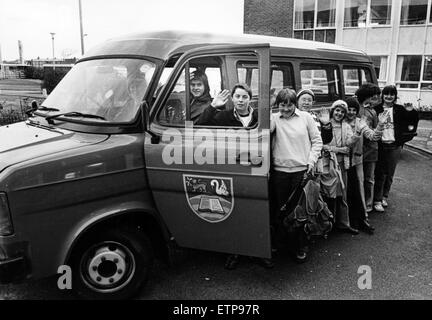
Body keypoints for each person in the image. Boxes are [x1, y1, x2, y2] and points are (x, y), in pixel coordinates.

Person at [199, 83, 272, 270]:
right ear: (232, 98)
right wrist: (213, 106)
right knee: (235, 211)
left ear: (250, 98)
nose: (240, 100)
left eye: (244, 97)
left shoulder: (260, 117)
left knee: (257, 211)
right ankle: (235, 251)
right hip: (234, 168)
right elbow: (199, 127)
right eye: (237, 96)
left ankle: (259, 252)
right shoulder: (223, 116)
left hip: (257, 167)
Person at [270, 88, 323, 262]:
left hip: (301, 172)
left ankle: (299, 246)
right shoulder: (273, 118)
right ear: (277, 104)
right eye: (282, 105)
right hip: (279, 172)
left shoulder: (306, 118)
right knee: (281, 211)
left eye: (289, 105)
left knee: (300, 213)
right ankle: (282, 245)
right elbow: (263, 134)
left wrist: (311, 162)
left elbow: (317, 141)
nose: (285, 109)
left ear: (295, 104)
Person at [345, 97, 389, 234]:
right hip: (343, 160)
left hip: (357, 160)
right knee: (344, 190)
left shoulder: (360, 122)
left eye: (354, 110)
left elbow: (373, 136)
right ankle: (345, 220)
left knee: (360, 189)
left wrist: (380, 125)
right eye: (349, 110)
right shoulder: (341, 120)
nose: (351, 112)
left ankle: (363, 218)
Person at [373, 85, 419, 212]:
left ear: (395, 96)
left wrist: (411, 111)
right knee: (379, 173)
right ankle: (376, 199)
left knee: (390, 174)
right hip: (380, 145)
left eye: (392, 94)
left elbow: (412, 121)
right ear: (382, 95)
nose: (389, 96)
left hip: (394, 146)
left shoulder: (399, 109)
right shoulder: (376, 109)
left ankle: (384, 196)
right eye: (386, 94)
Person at [321, 100, 359, 235]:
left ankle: (343, 223)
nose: (339, 113)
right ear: (333, 110)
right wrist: (338, 149)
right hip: (327, 164)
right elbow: (322, 146)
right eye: (337, 110)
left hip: (342, 164)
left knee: (342, 194)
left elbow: (348, 148)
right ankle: (325, 225)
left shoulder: (346, 126)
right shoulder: (325, 123)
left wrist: (333, 148)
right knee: (327, 193)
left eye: (342, 112)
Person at [355, 83, 382, 213]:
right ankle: (359, 204)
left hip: (371, 148)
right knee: (358, 178)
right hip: (357, 148)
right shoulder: (356, 108)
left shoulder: (373, 110)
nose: (375, 99)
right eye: (373, 96)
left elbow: (375, 130)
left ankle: (368, 204)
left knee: (369, 178)